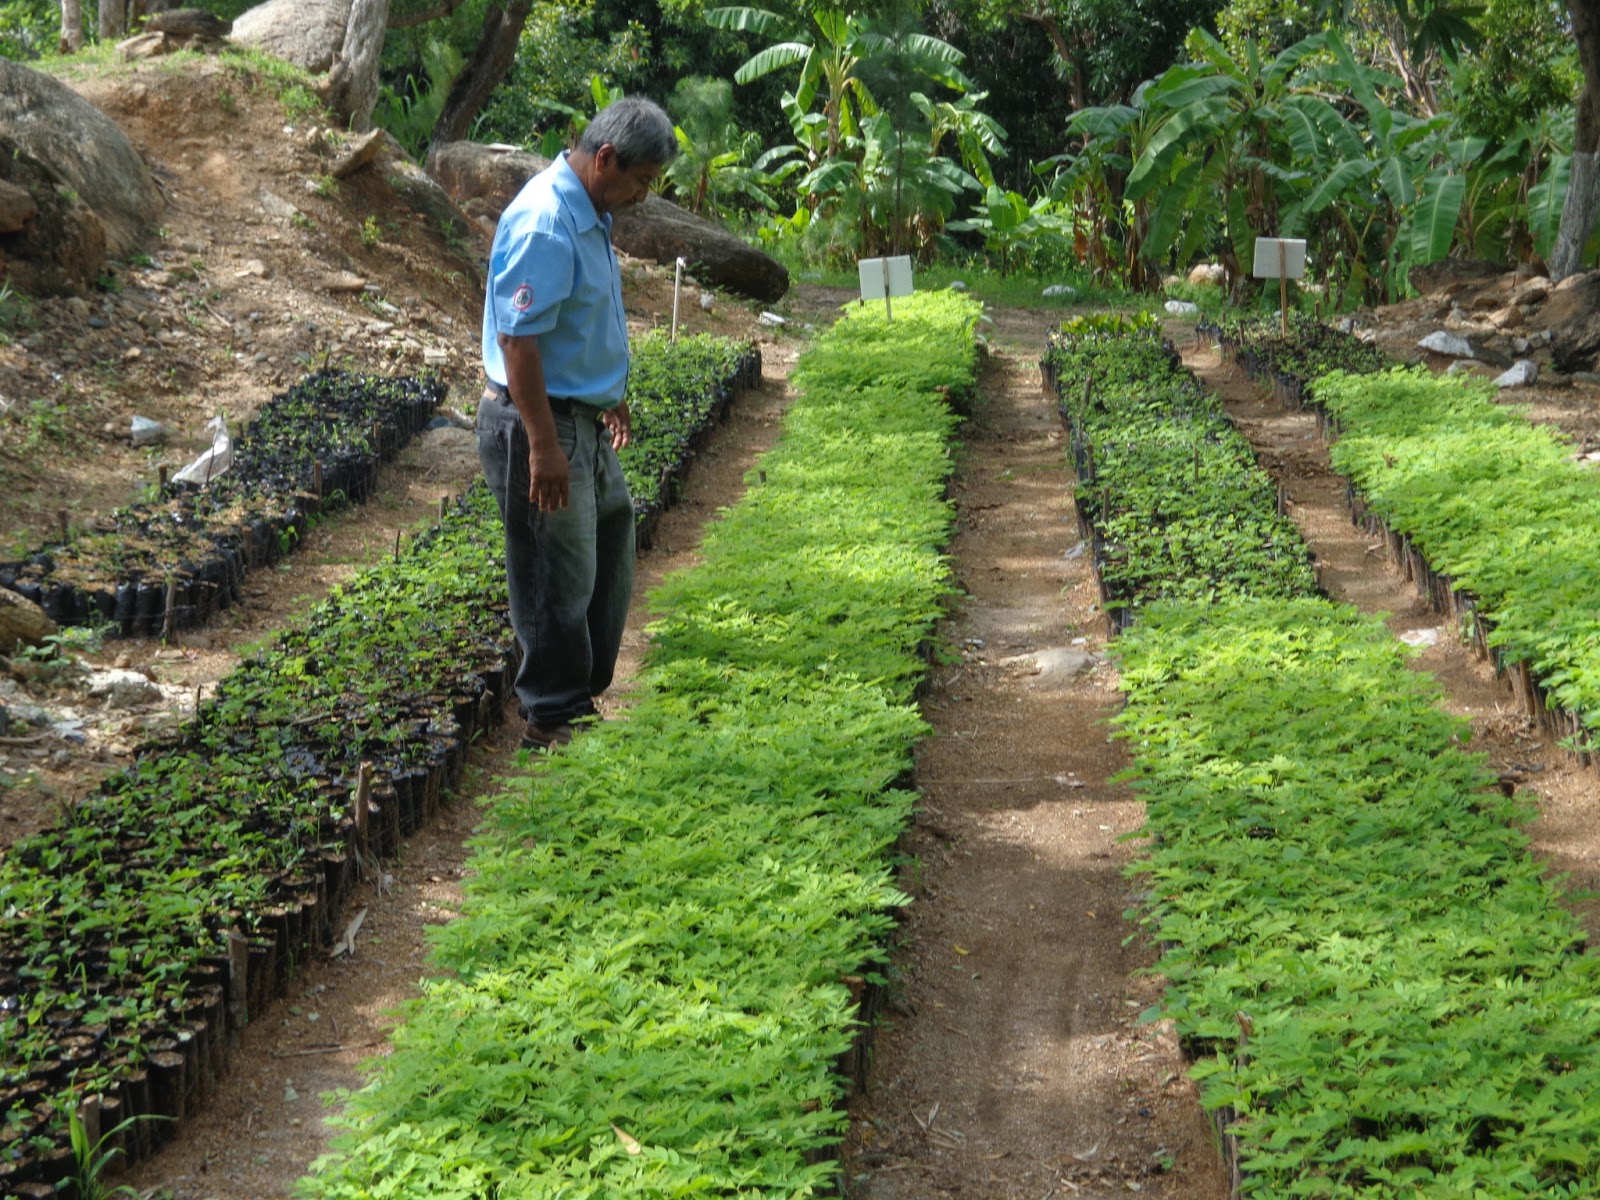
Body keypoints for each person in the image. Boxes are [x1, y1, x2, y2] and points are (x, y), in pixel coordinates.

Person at [476, 97, 677, 751]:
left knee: (609, 541)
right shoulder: (546, 219)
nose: (644, 195)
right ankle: (551, 715)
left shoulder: (590, 211)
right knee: (553, 570)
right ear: (606, 159)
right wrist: (542, 445)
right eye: (641, 180)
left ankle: (575, 695)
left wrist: (605, 393)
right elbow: (518, 341)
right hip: (540, 419)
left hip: (577, 415)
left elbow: (576, 321)